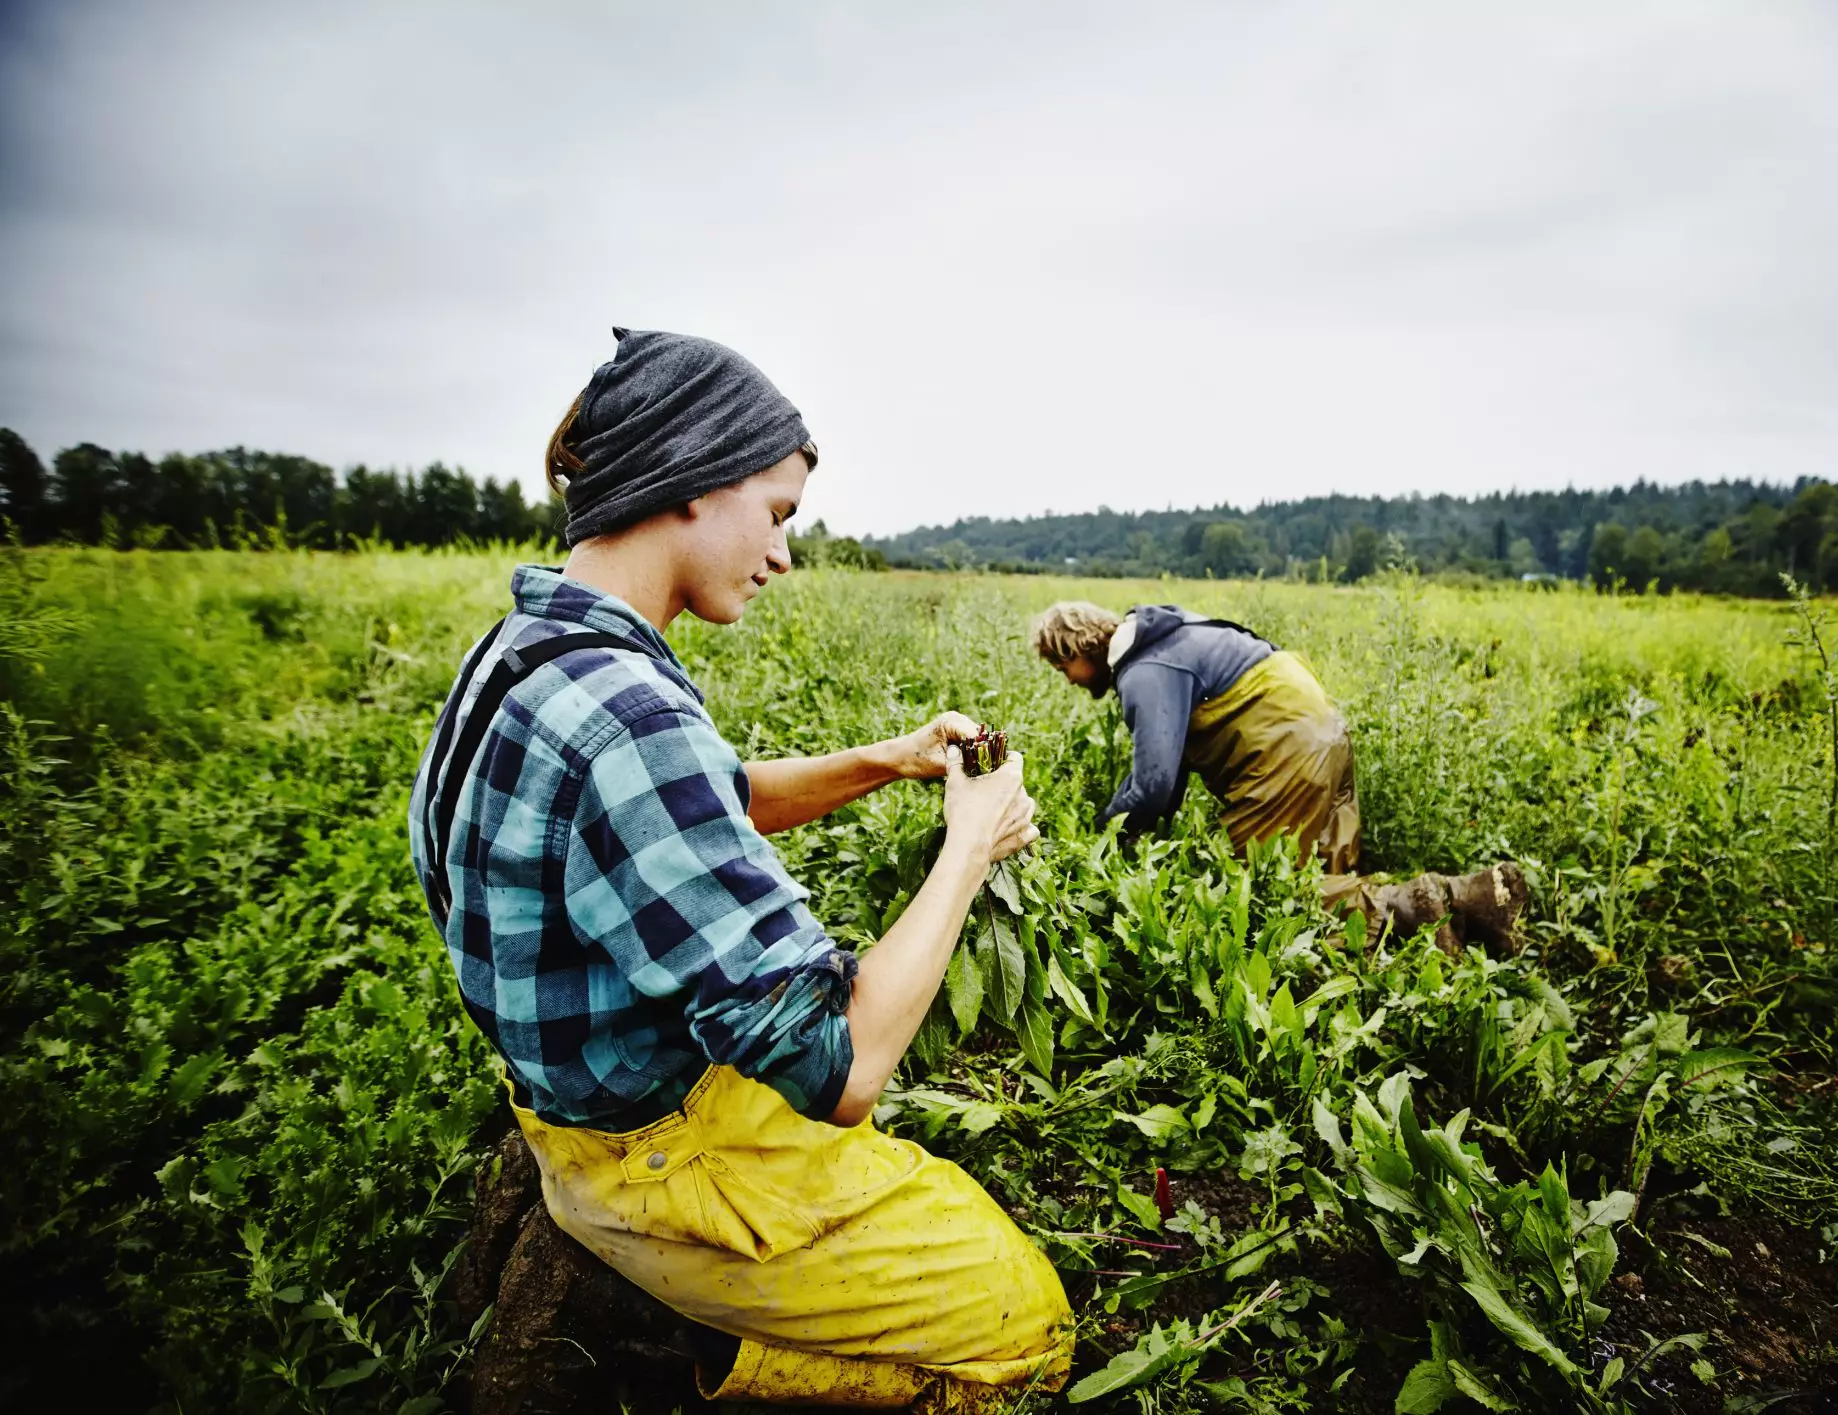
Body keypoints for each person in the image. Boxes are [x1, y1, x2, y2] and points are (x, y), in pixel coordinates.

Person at [410, 329, 1069, 1411]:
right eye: (776, 513)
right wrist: (970, 839)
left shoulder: (529, 655)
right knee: (1028, 1329)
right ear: (688, 481)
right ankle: (675, 1352)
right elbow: (846, 1063)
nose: (781, 554)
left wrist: (887, 759)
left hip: (575, 1123)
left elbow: (690, 799)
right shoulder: (631, 717)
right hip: (662, 1164)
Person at [1032, 601, 1525, 952]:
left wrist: (1104, 832)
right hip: (1322, 732)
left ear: (1076, 651)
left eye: (1062, 669)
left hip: (1283, 753)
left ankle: (1432, 899)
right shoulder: (1171, 637)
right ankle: (1478, 910)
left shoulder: (1146, 670)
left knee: (1269, 891)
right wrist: (1134, 823)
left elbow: (1154, 785)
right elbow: (1168, 779)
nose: (1069, 680)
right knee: (1327, 876)